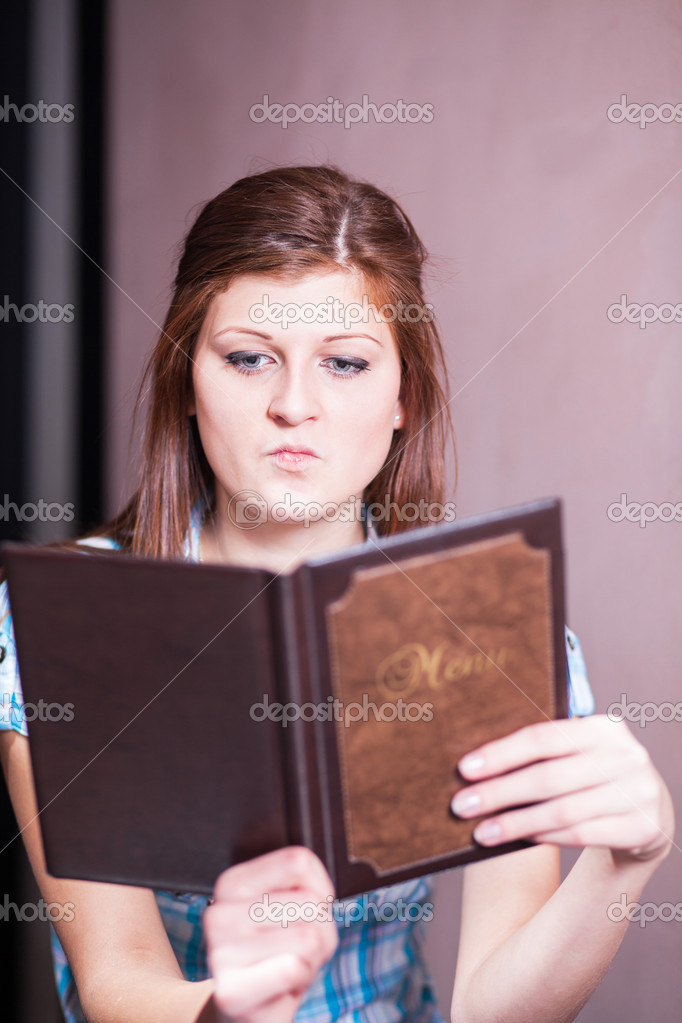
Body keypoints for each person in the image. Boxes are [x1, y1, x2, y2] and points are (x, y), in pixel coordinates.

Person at [0, 165, 674, 1023]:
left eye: (346, 364)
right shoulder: (68, 621)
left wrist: (630, 860)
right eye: (248, 358)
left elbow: (497, 1009)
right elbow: (117, 978)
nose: (293, 405)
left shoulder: (488, 617)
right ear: (186, 376)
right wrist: (234, 1009)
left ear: (403, 397)